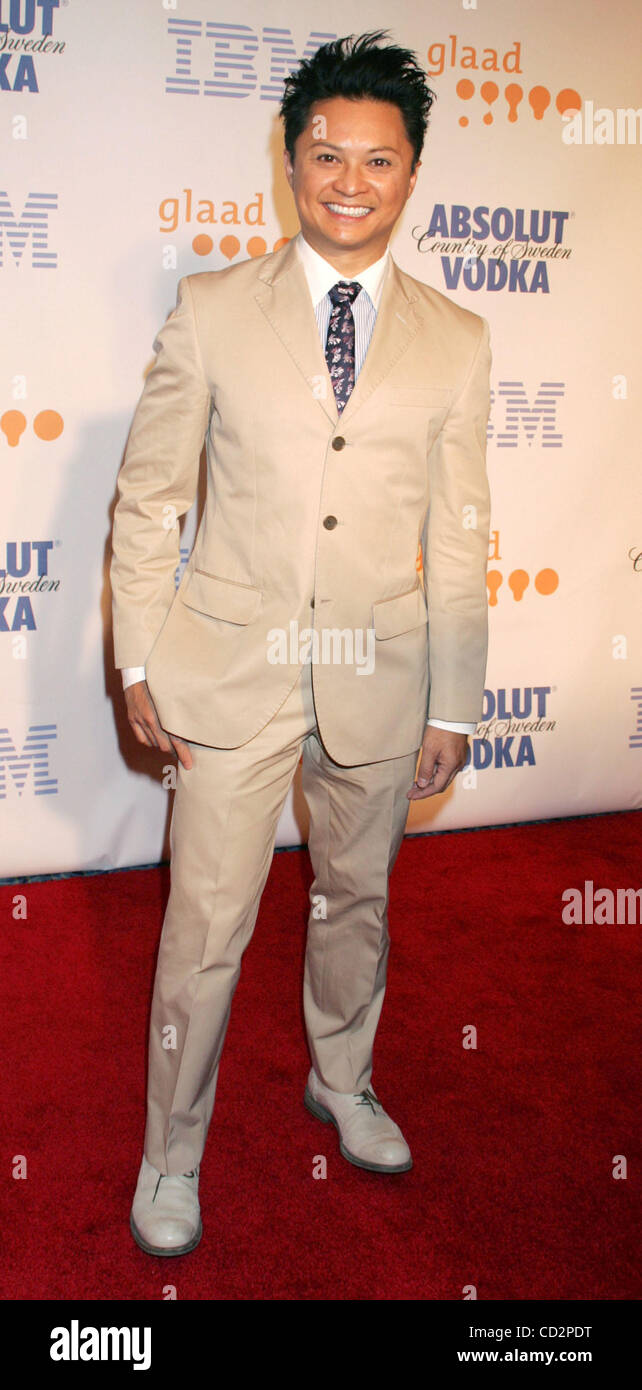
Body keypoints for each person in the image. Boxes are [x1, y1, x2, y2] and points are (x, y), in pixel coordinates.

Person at [110, 30, 491, 1257]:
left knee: (358, 904)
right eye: (324, 151)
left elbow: (463, 533)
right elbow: (150, 496)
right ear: (289, 158)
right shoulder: (214, 311)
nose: (348, 178)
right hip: (227, 677)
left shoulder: (460, 338)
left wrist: (457, 702)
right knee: (203, 929)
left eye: (376, 158)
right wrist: (134, 659)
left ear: (411, 171)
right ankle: (170, 1154)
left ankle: (344, 1075)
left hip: (382, 679)